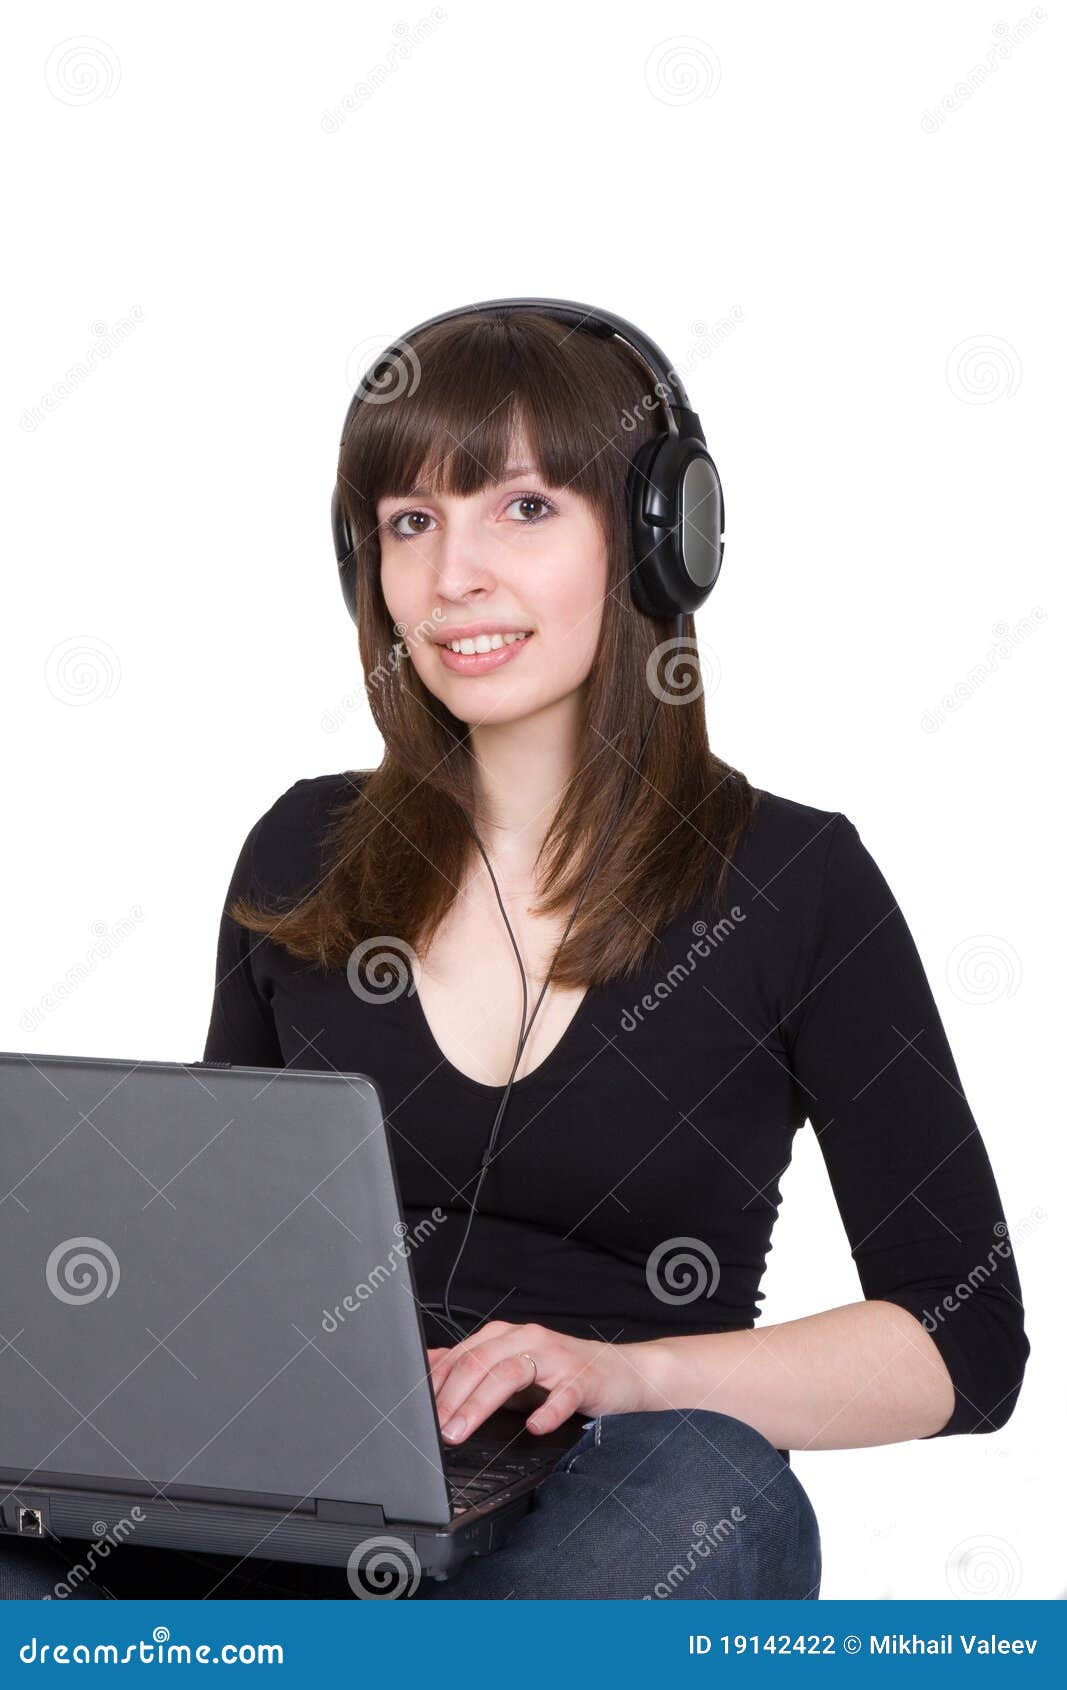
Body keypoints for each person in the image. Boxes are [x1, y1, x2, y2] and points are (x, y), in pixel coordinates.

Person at [1, 306, 1028, 1601]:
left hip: (628, 1471)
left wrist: (628, 1372)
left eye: (524, 508)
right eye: (411, 521)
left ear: (662, 541)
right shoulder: (299, 853)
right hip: (319, 1484)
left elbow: (962, 1332)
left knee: (704, 1504)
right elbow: (232, 1278)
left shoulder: (793, 883)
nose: (452, 575)